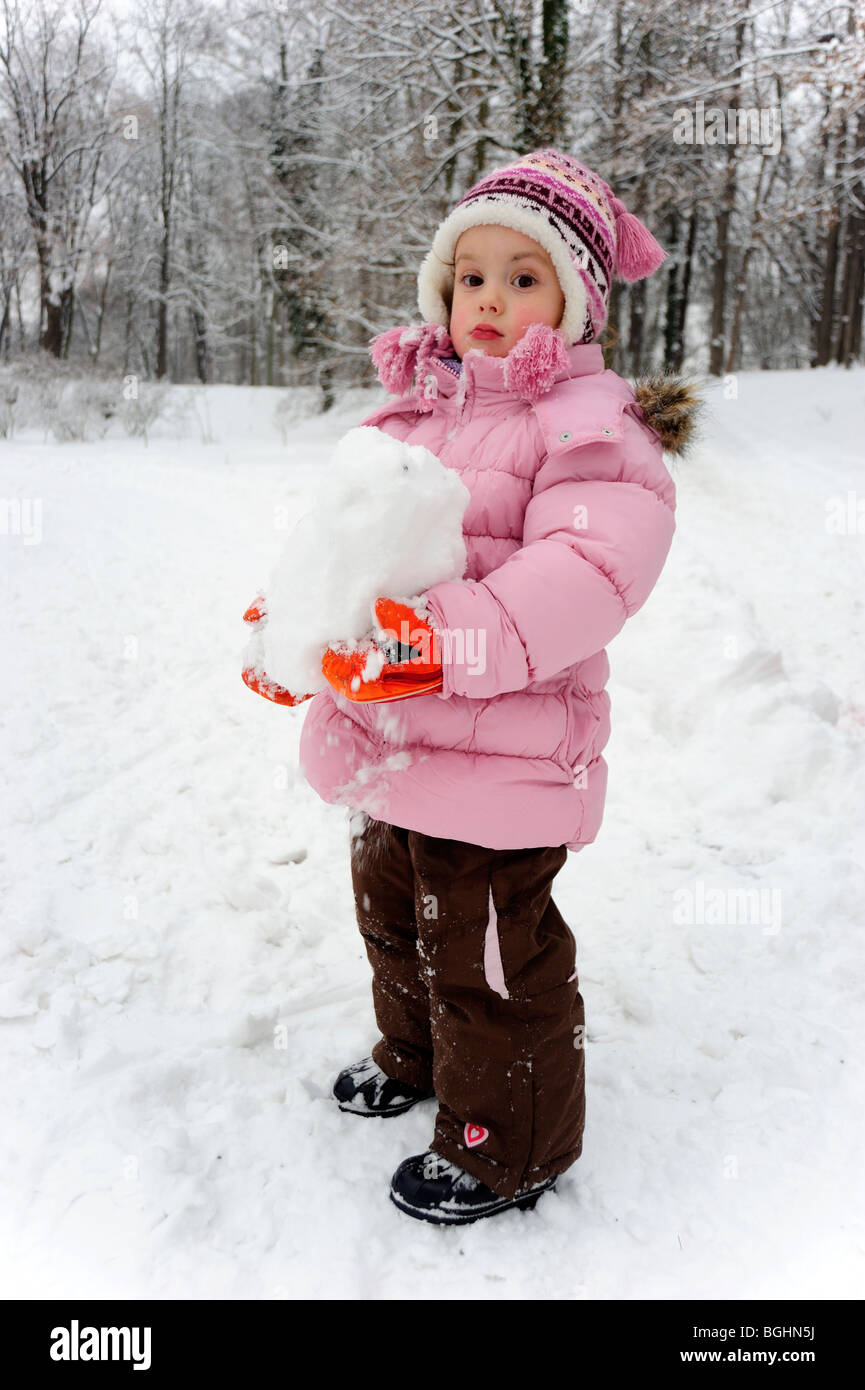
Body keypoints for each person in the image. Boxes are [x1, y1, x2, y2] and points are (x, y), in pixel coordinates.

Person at [244, 148, 699, 1225]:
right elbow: (336, 552)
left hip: (498, 765)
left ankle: (511, 1140)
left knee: (486, 956)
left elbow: (584, 576)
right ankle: (417, 1057)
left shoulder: (590, 430)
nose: (488, 298)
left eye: (523, 276)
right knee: (396, 920)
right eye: (469, 277)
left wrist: (434, 642)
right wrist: (290, 630)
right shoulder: (408, 418)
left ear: (578, 301)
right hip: (387, 743)